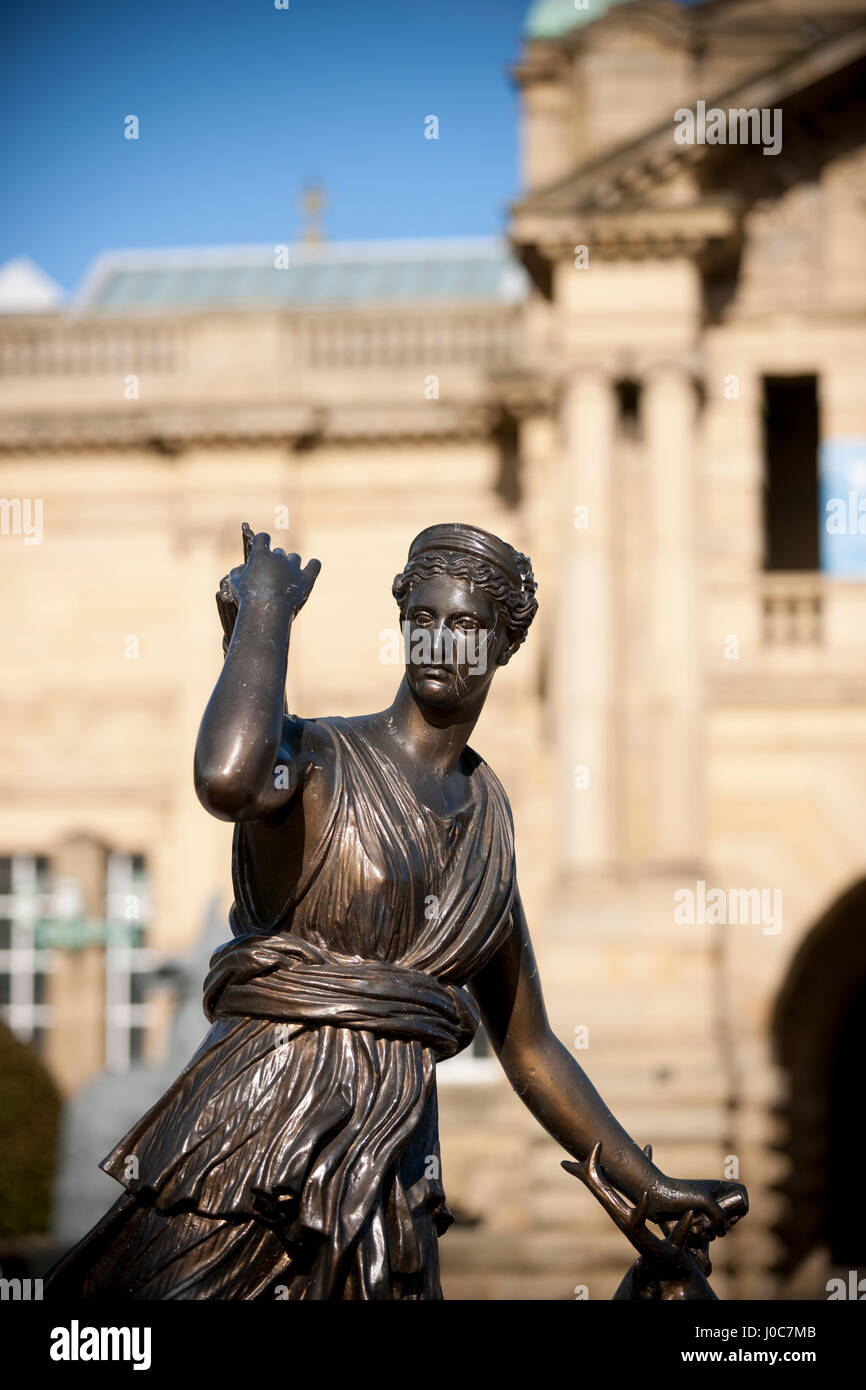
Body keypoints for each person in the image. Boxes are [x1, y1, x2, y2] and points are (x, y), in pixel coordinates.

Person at [45, 521, 746, 1300]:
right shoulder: (318, 762)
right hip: (252, 1149)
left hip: (392, 1173)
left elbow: (530, 1046)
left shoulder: (486, 823)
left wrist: (646, 1184)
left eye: (469, 626)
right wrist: (263, 617)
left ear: (506, 647)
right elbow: (227, 779)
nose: (444, 643)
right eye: (426, 620)